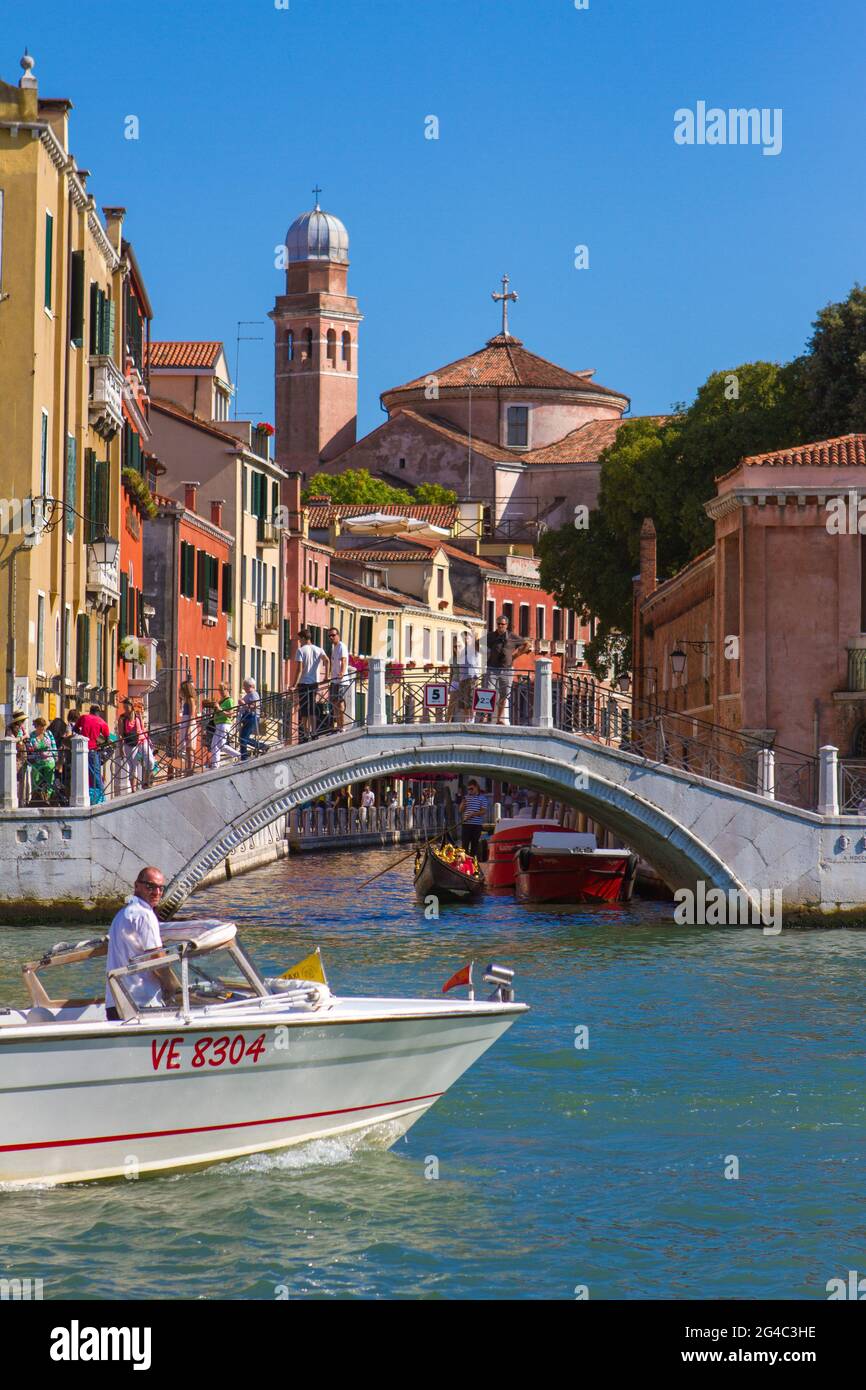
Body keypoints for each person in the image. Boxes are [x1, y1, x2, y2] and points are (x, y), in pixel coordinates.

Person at [104, 867, 172, 1019]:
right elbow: (156, 957)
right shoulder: (145, 915)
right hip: (141, 1003)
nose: (157, 892)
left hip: (115, 1003)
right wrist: (173, 987)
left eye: (161, 888)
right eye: (150, 886)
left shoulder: (122, 914)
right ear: (137, 885)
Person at [482, 615, 531, 725]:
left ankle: (499, 718)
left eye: (502, 624)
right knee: (488, 692)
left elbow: (527, 644)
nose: (500, 626)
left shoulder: (512, 636)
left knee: (504, 695)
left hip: (507, 669)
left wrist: (516, 655)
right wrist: (484, 654)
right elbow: (477, 643)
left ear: (506, 625)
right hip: (492, 668)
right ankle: (485, 717)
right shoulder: (491, 636)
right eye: (498, 624)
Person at [293, 629, 329, 741]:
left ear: (303, 638)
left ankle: (305, 733)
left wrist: (294, 685)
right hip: (314, 682)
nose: (299, 642)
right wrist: (326, 676)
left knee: (304, 709)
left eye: (300, 639)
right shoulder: (319, 649)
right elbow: (327, 660)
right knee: (312, 707)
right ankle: (314, 732)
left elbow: (299, 670)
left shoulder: (301, 650)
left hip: (303, 683)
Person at [75, 705, 110, 802]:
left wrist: (82, 734)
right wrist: (100, 745)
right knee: (96, 774)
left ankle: (86, 797)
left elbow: (75, 729)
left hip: (81, 748)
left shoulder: (83, 717)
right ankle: (100, 797)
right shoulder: (101, 722)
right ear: (98, 712)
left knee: (83, 775)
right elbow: (107, 739)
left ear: (90, 711)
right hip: (93, 750)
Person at [447, 629, 480, 723]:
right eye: (454, 646)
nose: (456, 648)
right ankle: (462, 718)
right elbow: (451, 672)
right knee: (462, 701)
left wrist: (471, 627)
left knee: (470, 698)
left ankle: (471, 719)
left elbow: (476, 637)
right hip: (460, 679)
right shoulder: (457, 655)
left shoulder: (473, 649)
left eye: (467, 637)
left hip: (471, 677)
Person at [116, 698, 146, 793]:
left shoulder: (137, 715)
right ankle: (134, 789)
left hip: (140, 742)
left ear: (131, 706)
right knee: (133, 766)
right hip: (129, 743)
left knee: (144, 762)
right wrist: (121, 749)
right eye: (124, 707)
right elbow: (120, 734)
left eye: (126, 707)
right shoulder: (122, 718)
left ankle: (144, 783)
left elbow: (142, 728)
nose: (125, 709)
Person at [209, 683, 240, 767]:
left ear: (227, 690)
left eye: (222, 690)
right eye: (220, 690)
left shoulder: (229, 700)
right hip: (219, 724)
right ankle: (215, 765)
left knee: (220, 745)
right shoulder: (222, 700)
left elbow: (230, 714)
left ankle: (238, 755)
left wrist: (219, 708)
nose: (221, 692)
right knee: (215, 745)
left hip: (224, 724)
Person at [26, 717, 57, 801]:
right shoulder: (32, 735)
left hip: (49, 759)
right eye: (41, 726)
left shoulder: (48, 733)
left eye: (44, 726)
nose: (43, 728)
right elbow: (30, 748)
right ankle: (37, 796)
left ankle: (48, 796)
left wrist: (55, 757)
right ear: (37, 726)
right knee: (36, 779)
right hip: (37, 760)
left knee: (50, 778)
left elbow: (53, 745)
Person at [327, 627, 352, 732]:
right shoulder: (334, 648)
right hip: (334, 680)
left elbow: (344, 660)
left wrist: (342, 672)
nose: (331, 637)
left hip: (341, 680)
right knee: (334, 703)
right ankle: (338, 726)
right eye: (329, 636)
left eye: (333, 635)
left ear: (338, 635)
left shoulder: (342, 646)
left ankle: (342, 726)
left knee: (339, 702)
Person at [458, 778, 489, 856]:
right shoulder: (466, 797)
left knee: (474, 846)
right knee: (464, 845)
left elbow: (483, 811)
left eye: (471, 789)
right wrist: (462, 804)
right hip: (466, 824)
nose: (469, 791)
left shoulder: (482, 798)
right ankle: (465, 864)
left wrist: (472, 814)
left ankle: (473, 863)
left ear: (476, 787)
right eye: (468, 789)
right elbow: (460, 810)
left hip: (476, 825)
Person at [239, 678, 262, 759]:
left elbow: (254, 707)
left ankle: (244, 756)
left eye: (245, 686)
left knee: (243, 738)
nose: (244, 688)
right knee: (244, 738)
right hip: (248, 717)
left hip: (251, 717)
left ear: (251, 686)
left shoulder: (253, 694)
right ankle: (262, 746)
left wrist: (243, 703)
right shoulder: (250, 694)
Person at [178, 680, 198, 770]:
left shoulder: (190, 699)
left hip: (189, 723)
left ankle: (190, 770)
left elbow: (192, 713)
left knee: (189, 748)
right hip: (186, 722)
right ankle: (188, 769)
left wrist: (189, 728)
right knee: (187, 748)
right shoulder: (186, 700)